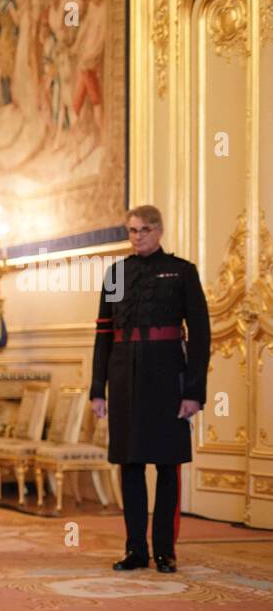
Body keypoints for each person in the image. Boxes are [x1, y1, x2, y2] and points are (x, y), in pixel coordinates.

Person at [91, 204, 210, 573]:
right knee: (129, 464)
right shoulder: (116, 274)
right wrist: (98, 388)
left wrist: (194, 391)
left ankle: (164, 550)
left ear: (158, 230)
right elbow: (102, 335)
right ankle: (135, 549)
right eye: (131, 230)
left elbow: (202, 336)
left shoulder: (182, 272)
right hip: (124, 377)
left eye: (143, 229)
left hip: (166, 378)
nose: (137, 236)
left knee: (167, 465)